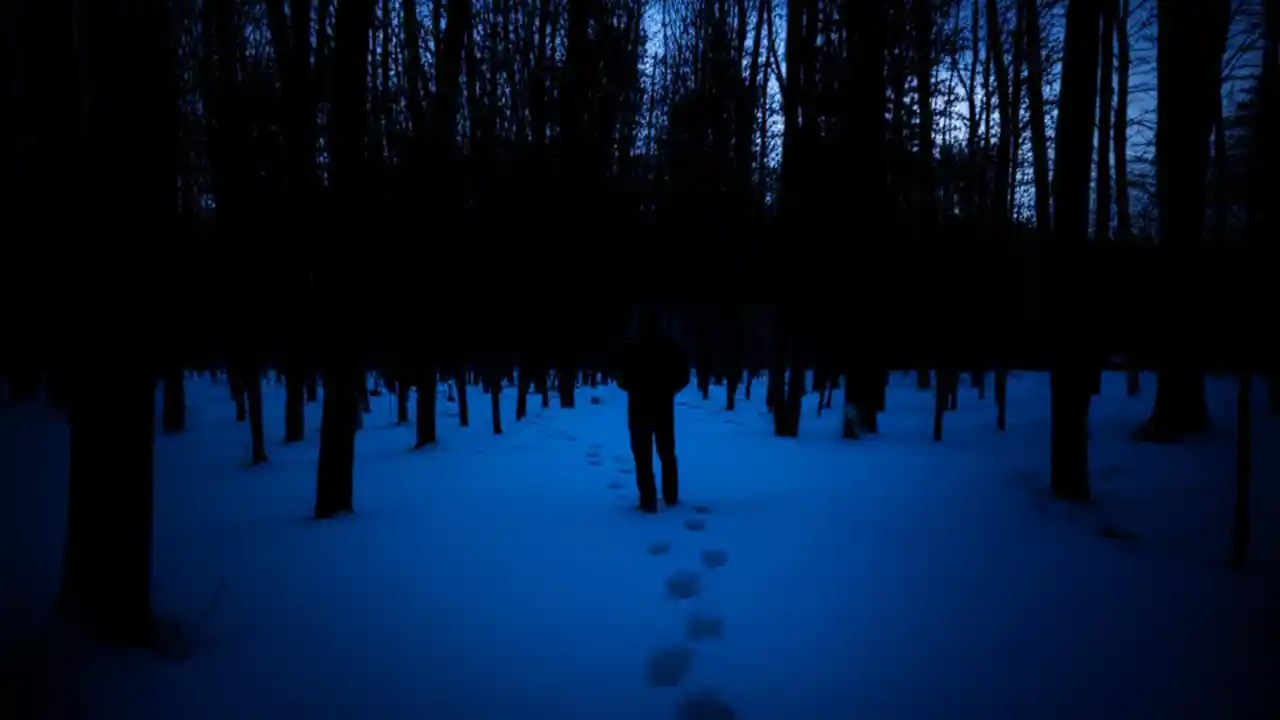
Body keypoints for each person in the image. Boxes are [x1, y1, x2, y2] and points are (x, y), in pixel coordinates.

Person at [615, 307, 690, 513]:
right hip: (662, 406)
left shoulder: (632, 347)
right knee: (666, 452)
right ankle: (671, 496)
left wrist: (634, 386)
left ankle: (648, 499)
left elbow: (621, 378)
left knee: (642, 453)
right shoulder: (671, 346)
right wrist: (669, 390)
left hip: (639, 407)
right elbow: (683, 375)